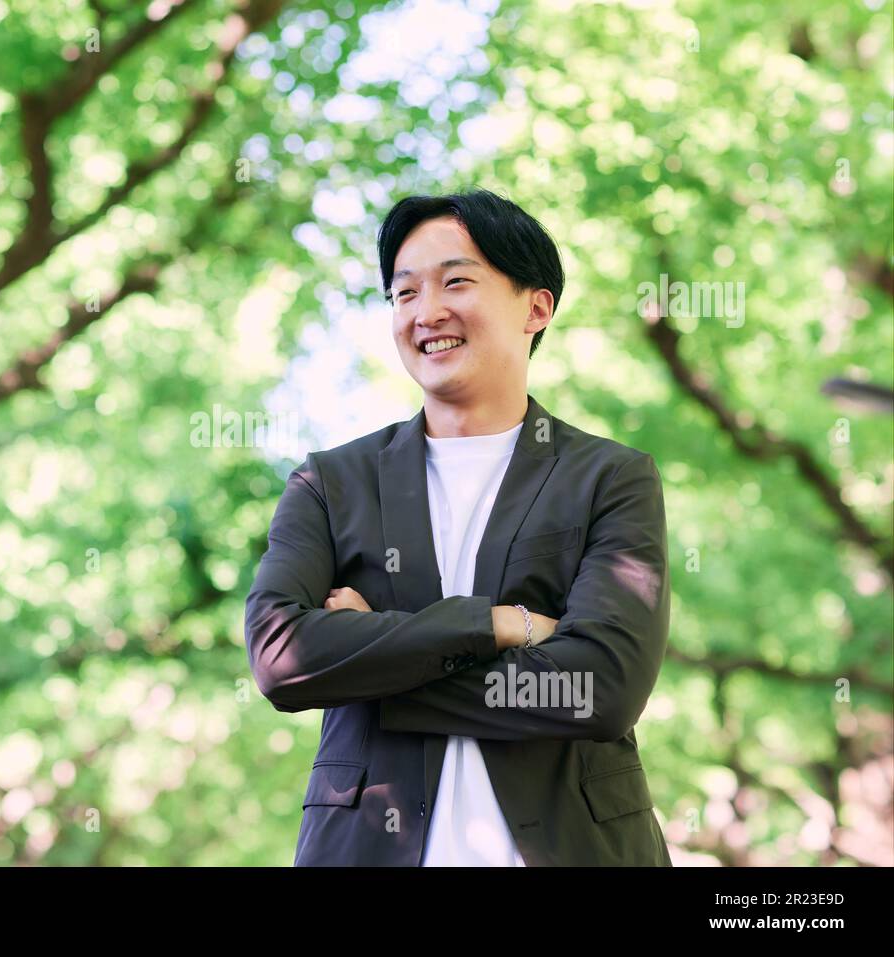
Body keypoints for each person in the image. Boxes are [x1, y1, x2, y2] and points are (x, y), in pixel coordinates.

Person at [244, 188, 672, 866]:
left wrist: (372, 662)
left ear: (536, 306)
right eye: (404, 293)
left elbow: (600, 688)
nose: (426, 312)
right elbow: (277, 656)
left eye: (456, 281)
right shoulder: (331, 483)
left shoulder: (610, 478)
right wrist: (496, 626)